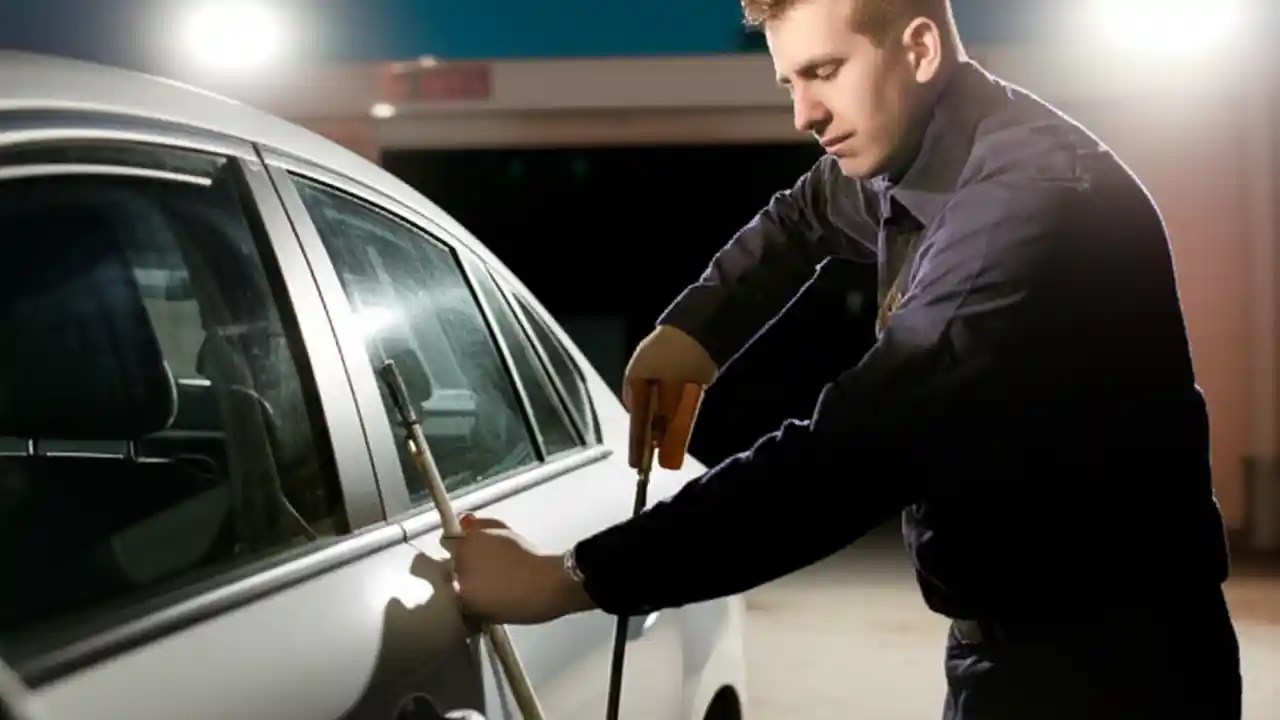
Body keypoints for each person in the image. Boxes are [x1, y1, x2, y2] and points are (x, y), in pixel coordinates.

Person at [443, 0, 1243, 717]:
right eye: (789, 80)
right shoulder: (924, 157)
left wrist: (568, 578)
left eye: (823, 72)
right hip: (1007, 648)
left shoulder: (1030, 206)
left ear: (921, 49)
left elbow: (850, 454)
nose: (803, 114)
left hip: (1114, 671)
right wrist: (697, 332)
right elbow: (802, 218)